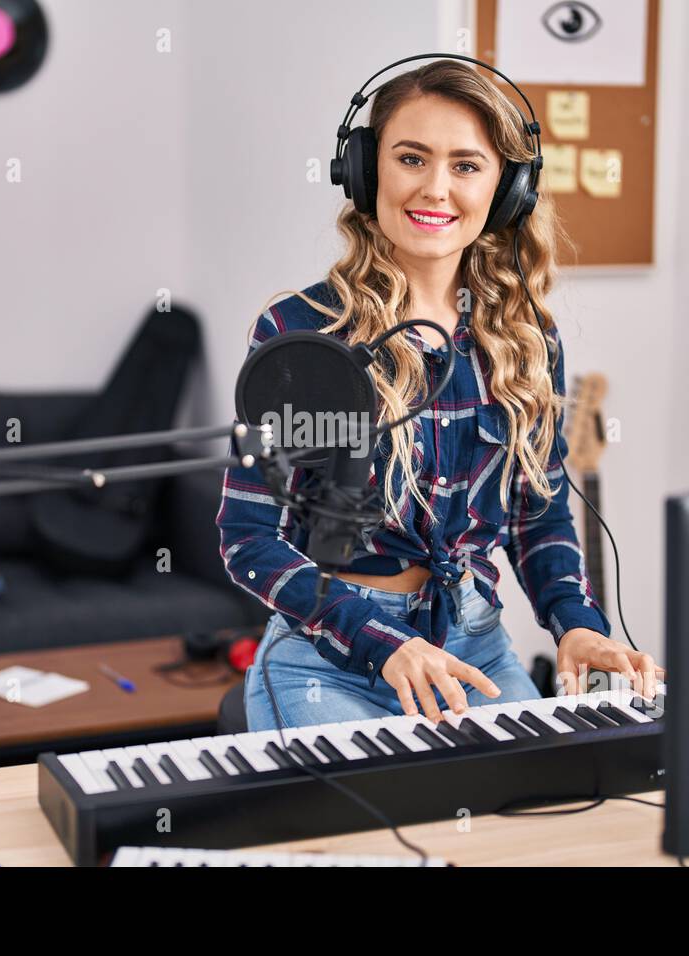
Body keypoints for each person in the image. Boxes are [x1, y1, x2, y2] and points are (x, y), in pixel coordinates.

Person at [217, 61, 661, 732]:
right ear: (368, 173)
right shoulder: (298, 334)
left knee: (539, 824)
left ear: (507, 188)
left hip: (472, 651)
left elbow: (537, 519)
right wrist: (378, 639)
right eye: (411, 158)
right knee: (358, 832)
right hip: (327, 658)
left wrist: (577, 625)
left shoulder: (529, 340)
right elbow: (246, 538)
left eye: (466, 165)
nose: (435, 188)